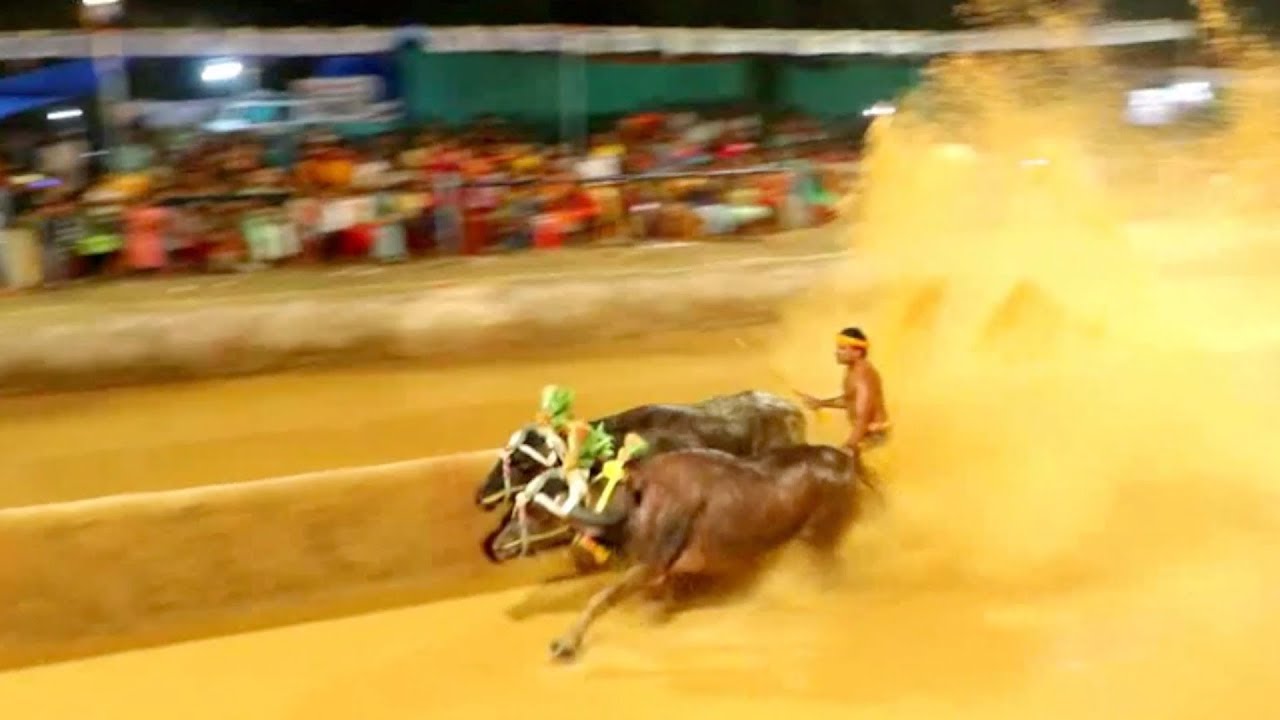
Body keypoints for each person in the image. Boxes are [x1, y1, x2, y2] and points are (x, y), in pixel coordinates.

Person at [799, 327, 891, 455]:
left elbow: (863, 418)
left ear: (857, 352)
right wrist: (821, 403)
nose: (836, 352)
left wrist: (849, 447)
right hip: (866, 436)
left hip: (874, 439)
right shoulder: (852, 371)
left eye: (842, 348)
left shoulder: (862, 376)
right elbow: (850, 400)